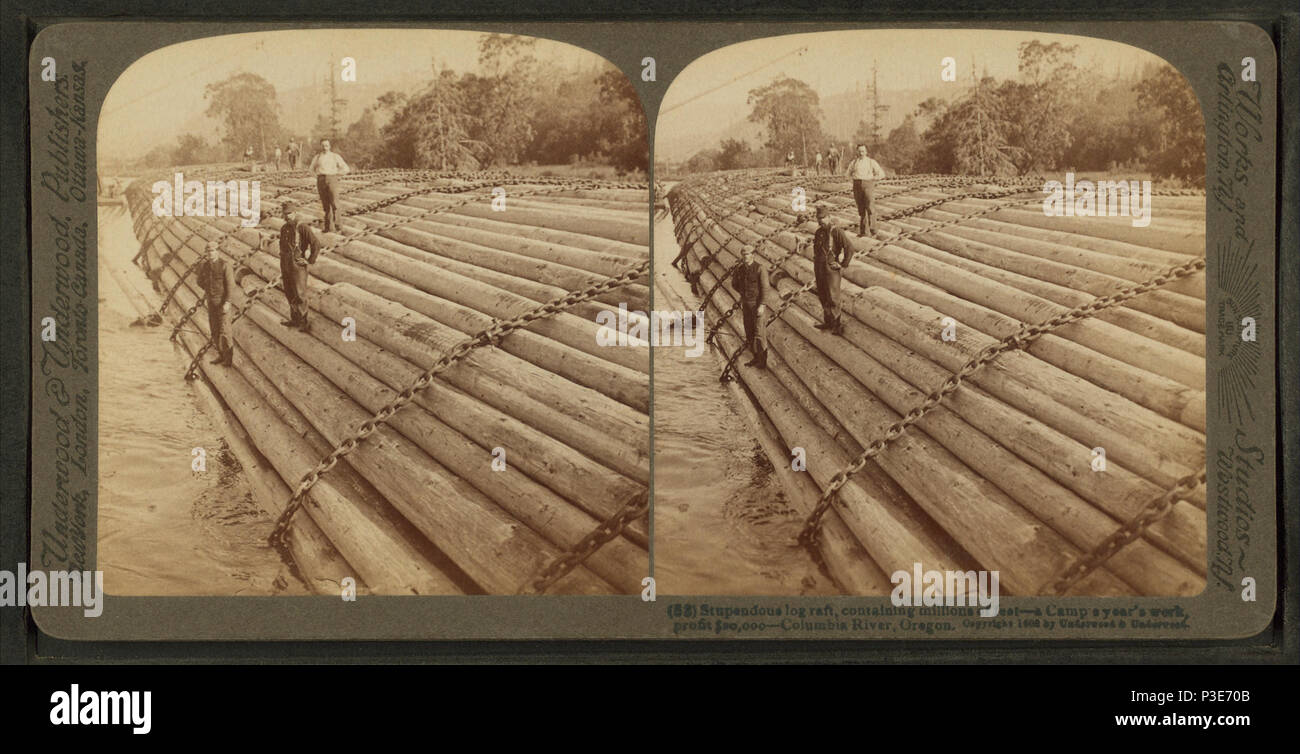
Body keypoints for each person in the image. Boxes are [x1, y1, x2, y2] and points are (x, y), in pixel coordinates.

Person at [811, 203, 855, 335]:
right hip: (819, 267)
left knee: (833, 296)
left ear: (829, 217)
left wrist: (842, 264)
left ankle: (837, 325)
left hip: (831, 268)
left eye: (823, 218)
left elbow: (849, 248)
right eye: (819, 219)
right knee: (823, 295)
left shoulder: (836, 231)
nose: (821, 221)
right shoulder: (818, 232)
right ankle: (828, 322)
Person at [278, 201, 322, 331]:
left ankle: (304, 322)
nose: (287, 216)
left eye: (289, 214)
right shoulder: (284, 228)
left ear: (295, 213)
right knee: (289, 292)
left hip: (297, 265)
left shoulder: (302, 228)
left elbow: (316, 244)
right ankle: (295, 319)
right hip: (285, 263)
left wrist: (309, 260)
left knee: (300, 293)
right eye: (285, 214)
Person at [195, 240, 236, 365]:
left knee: (225, 331)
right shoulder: (205, 265)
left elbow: (231, 285)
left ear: (217, 251)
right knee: (214, 329)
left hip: (222, 302)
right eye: (208, 251)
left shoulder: (225, 265)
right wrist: (208, 291)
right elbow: (199, 281)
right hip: (211, 301)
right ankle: (221, 355)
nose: (210, 253)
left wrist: (227, 302)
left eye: (212, 251)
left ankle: (228, 359)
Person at [733, 243, 770, 369]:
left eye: (747, 254)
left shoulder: (760, 268)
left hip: (757, 305)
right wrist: (743, 294)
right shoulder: (740, 269)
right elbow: (735, 284)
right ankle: (755, 357)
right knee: (749, 331)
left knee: (759, 333)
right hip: (746, 304)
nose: (745, 257)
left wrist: (762, 305)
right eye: (743, 255)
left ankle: (762, 361)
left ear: (753, 255)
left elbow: (765, 288)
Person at [309, 139, 350, 232]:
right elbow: (310, 169)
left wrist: (336, 174)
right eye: (323, 145)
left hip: (332, 179)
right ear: (321, 146)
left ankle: (338, 226)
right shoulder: (317, 157)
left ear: (330, 146)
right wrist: (317, 177)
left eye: (326, 145)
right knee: (325, 205)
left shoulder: (335, 156)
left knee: (335, 203)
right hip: (321, 180)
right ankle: (328, 227)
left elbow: (346, 168)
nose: (325, 147)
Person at [846, 144, 887, 237]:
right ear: (857, 152)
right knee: (861, 209)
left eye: (863, 151)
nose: (861, 153)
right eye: (859, 151)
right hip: (857, 185)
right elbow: (847, 174)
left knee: (870, 207)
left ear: (866, 152)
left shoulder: (871, 162)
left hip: (868, 184)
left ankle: (873, 230)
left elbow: (881, 174)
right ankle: (863, 231)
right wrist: (852, 181)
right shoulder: (854, 162)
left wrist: (873, 179)